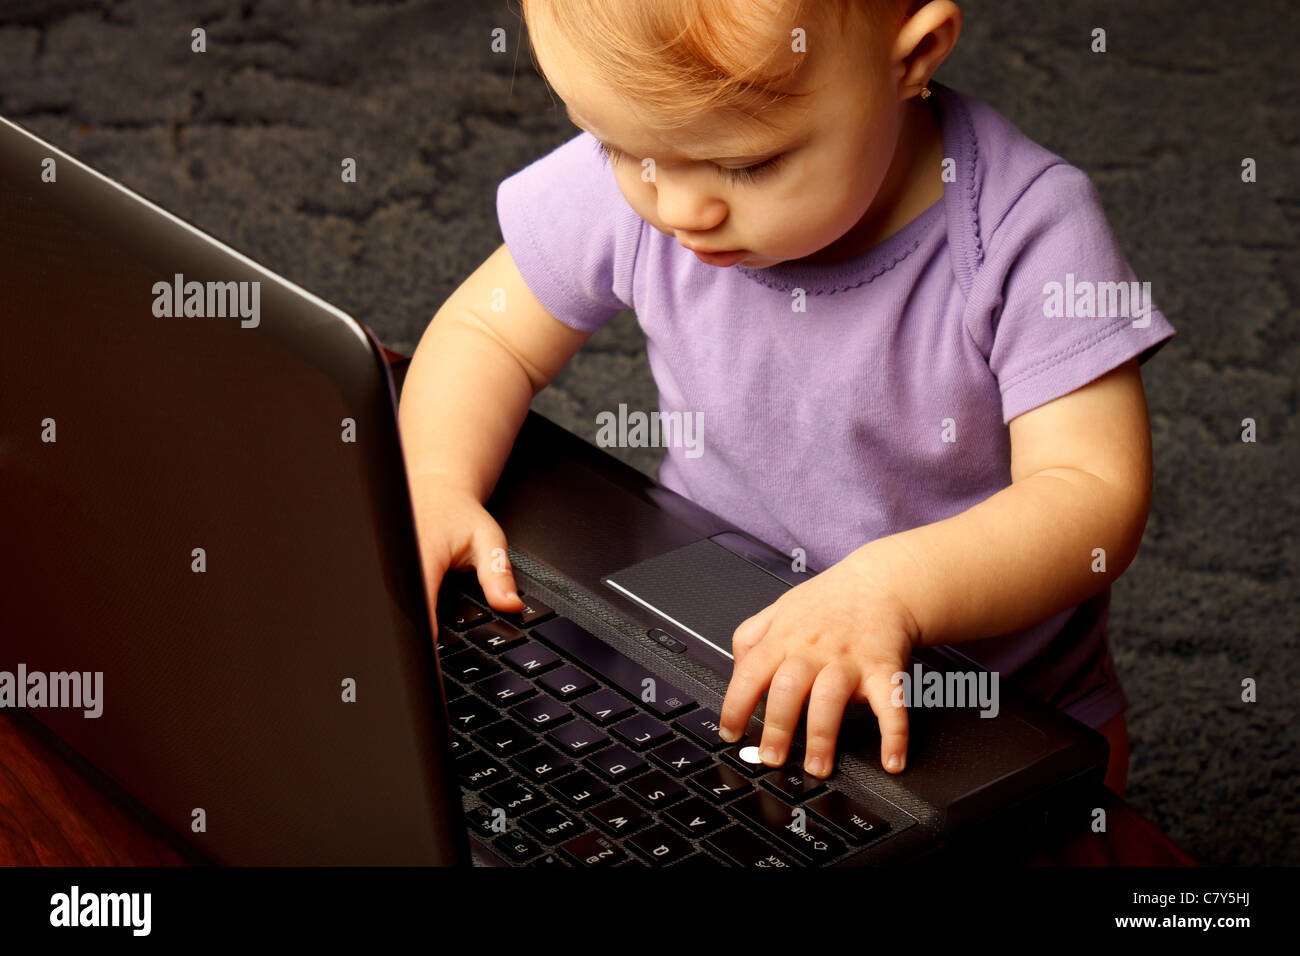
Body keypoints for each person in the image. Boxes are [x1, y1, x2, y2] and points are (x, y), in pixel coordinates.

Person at [397, 0, 1174, 797]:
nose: (678, 209)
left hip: (979, 709)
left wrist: (892, 591)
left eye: (748, 165)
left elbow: (1093, 495)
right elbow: (486, 336)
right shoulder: (667, 153)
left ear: (913, 58)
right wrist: (434, 482)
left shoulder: (1026, 229)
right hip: (713, 628)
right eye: (617, 147)